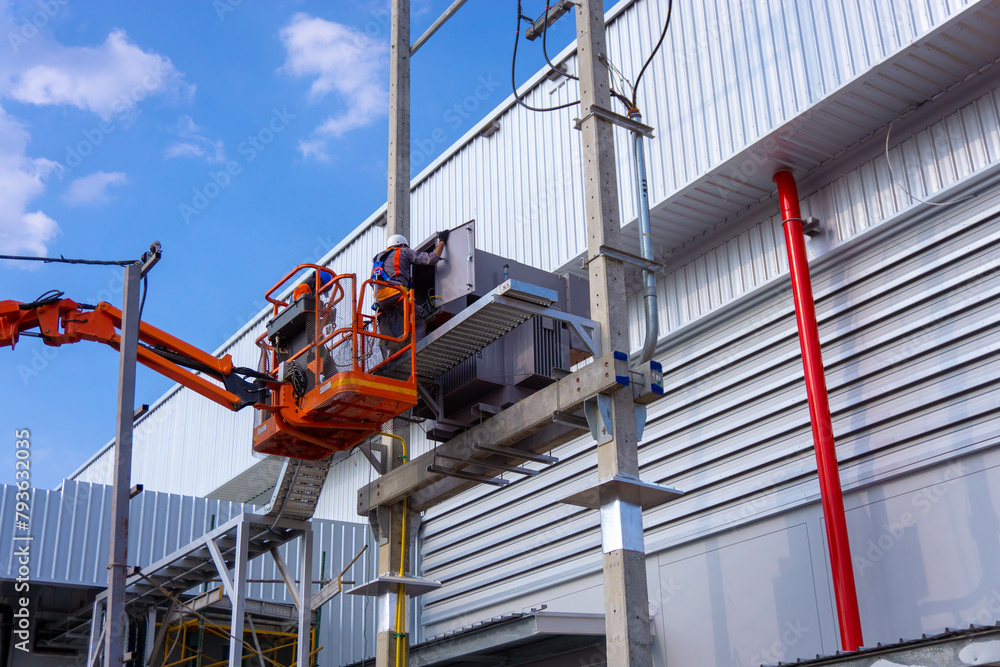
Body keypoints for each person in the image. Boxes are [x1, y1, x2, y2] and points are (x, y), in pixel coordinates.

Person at [371, 230, 449, 361]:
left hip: (380, 302)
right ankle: (417, 352)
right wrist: (442, 240)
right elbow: (432, 258)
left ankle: (391, 353)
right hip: (398, 295)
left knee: (393, 329)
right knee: (417, 323)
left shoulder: (377, 259)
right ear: (403, 245)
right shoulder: (404, 251)